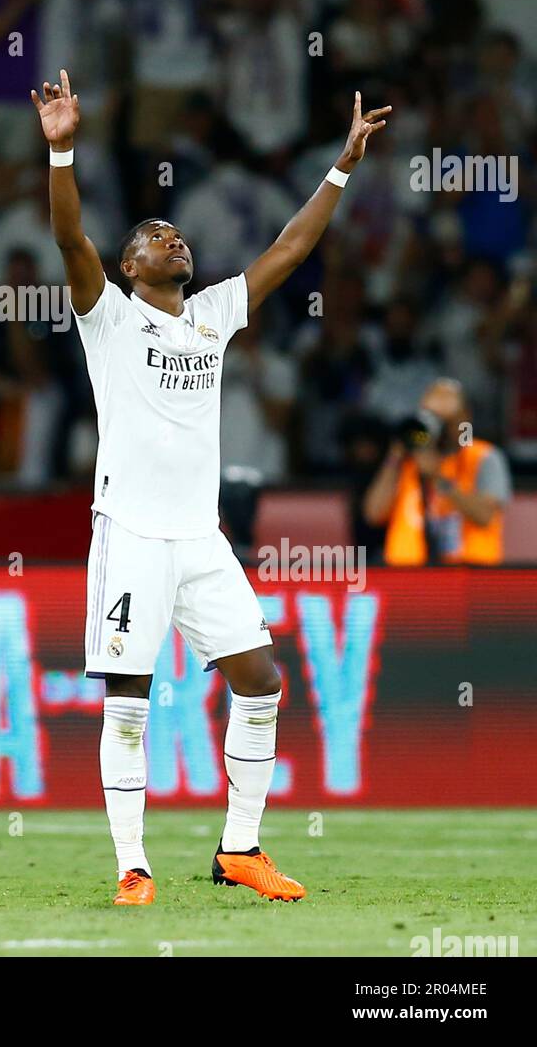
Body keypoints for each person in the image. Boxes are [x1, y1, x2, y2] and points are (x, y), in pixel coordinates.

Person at [35, 68, 389, 907]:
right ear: (130, 265)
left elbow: (291, 249)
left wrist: (342, 164)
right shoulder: (110, 315)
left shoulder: (212, 314)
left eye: (179, 235)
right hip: (131, 531)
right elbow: (69, 241)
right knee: (131, 699)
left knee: (261, 679)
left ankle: (240, 850)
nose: (175, 240)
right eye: (158, 236)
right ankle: (132, 864)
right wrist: (62, 153)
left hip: (200, 538)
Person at [361, 378, 512, 565]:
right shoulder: (408, 459)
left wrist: (438, 479)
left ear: (464, 420)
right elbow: (373, 514)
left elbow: (485, 515)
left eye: (445, 420)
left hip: (470, 579)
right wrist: (395, 454)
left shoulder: (483, 457)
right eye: (430, 417)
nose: (438, 428)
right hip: (408, 578)